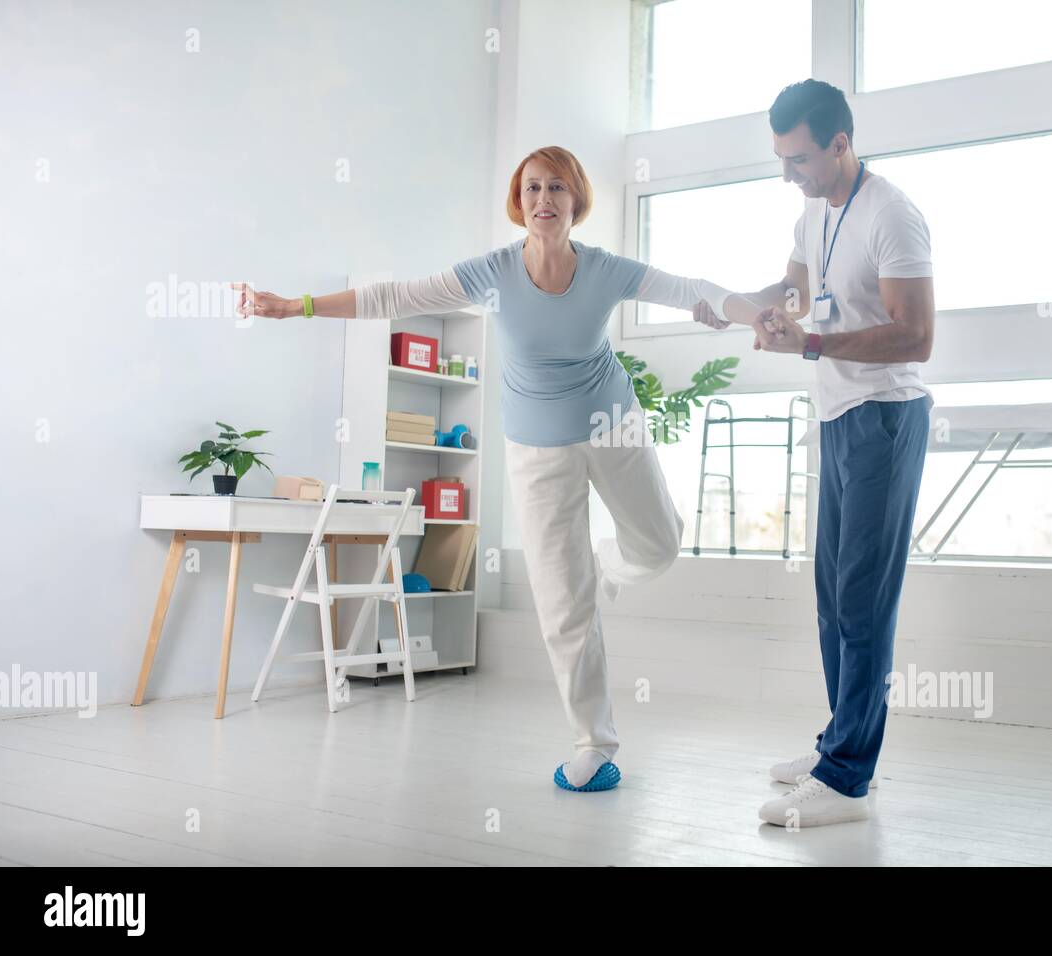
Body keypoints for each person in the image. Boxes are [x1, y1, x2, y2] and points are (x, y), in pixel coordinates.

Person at [234, 146, 766, 793]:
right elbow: (396, 296)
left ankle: (610, 565)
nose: (544, 200)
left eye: (557, 189)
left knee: (660, 543)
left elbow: (686, 290)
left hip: (611, 422)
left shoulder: (601, 270)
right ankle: (593, 745)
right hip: (537, 445)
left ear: (576, 202)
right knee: (563, 607)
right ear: (520, 201)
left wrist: (749, 309)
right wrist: (295, 306)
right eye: (533, 188)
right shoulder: (491, 272)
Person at [693, 80, 935, 827]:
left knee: (862, 601)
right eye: (780, 159)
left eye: (797, 159)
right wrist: (738, 307)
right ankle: (841, 743)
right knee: (833, 601)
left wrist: (816, 344)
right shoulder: (812, 211)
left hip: (886, 418)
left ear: (839, 144)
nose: (787, 174)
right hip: (837, 417)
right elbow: (796, 295)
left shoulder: (891, 214)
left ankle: (846, 778)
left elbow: (917, 334)